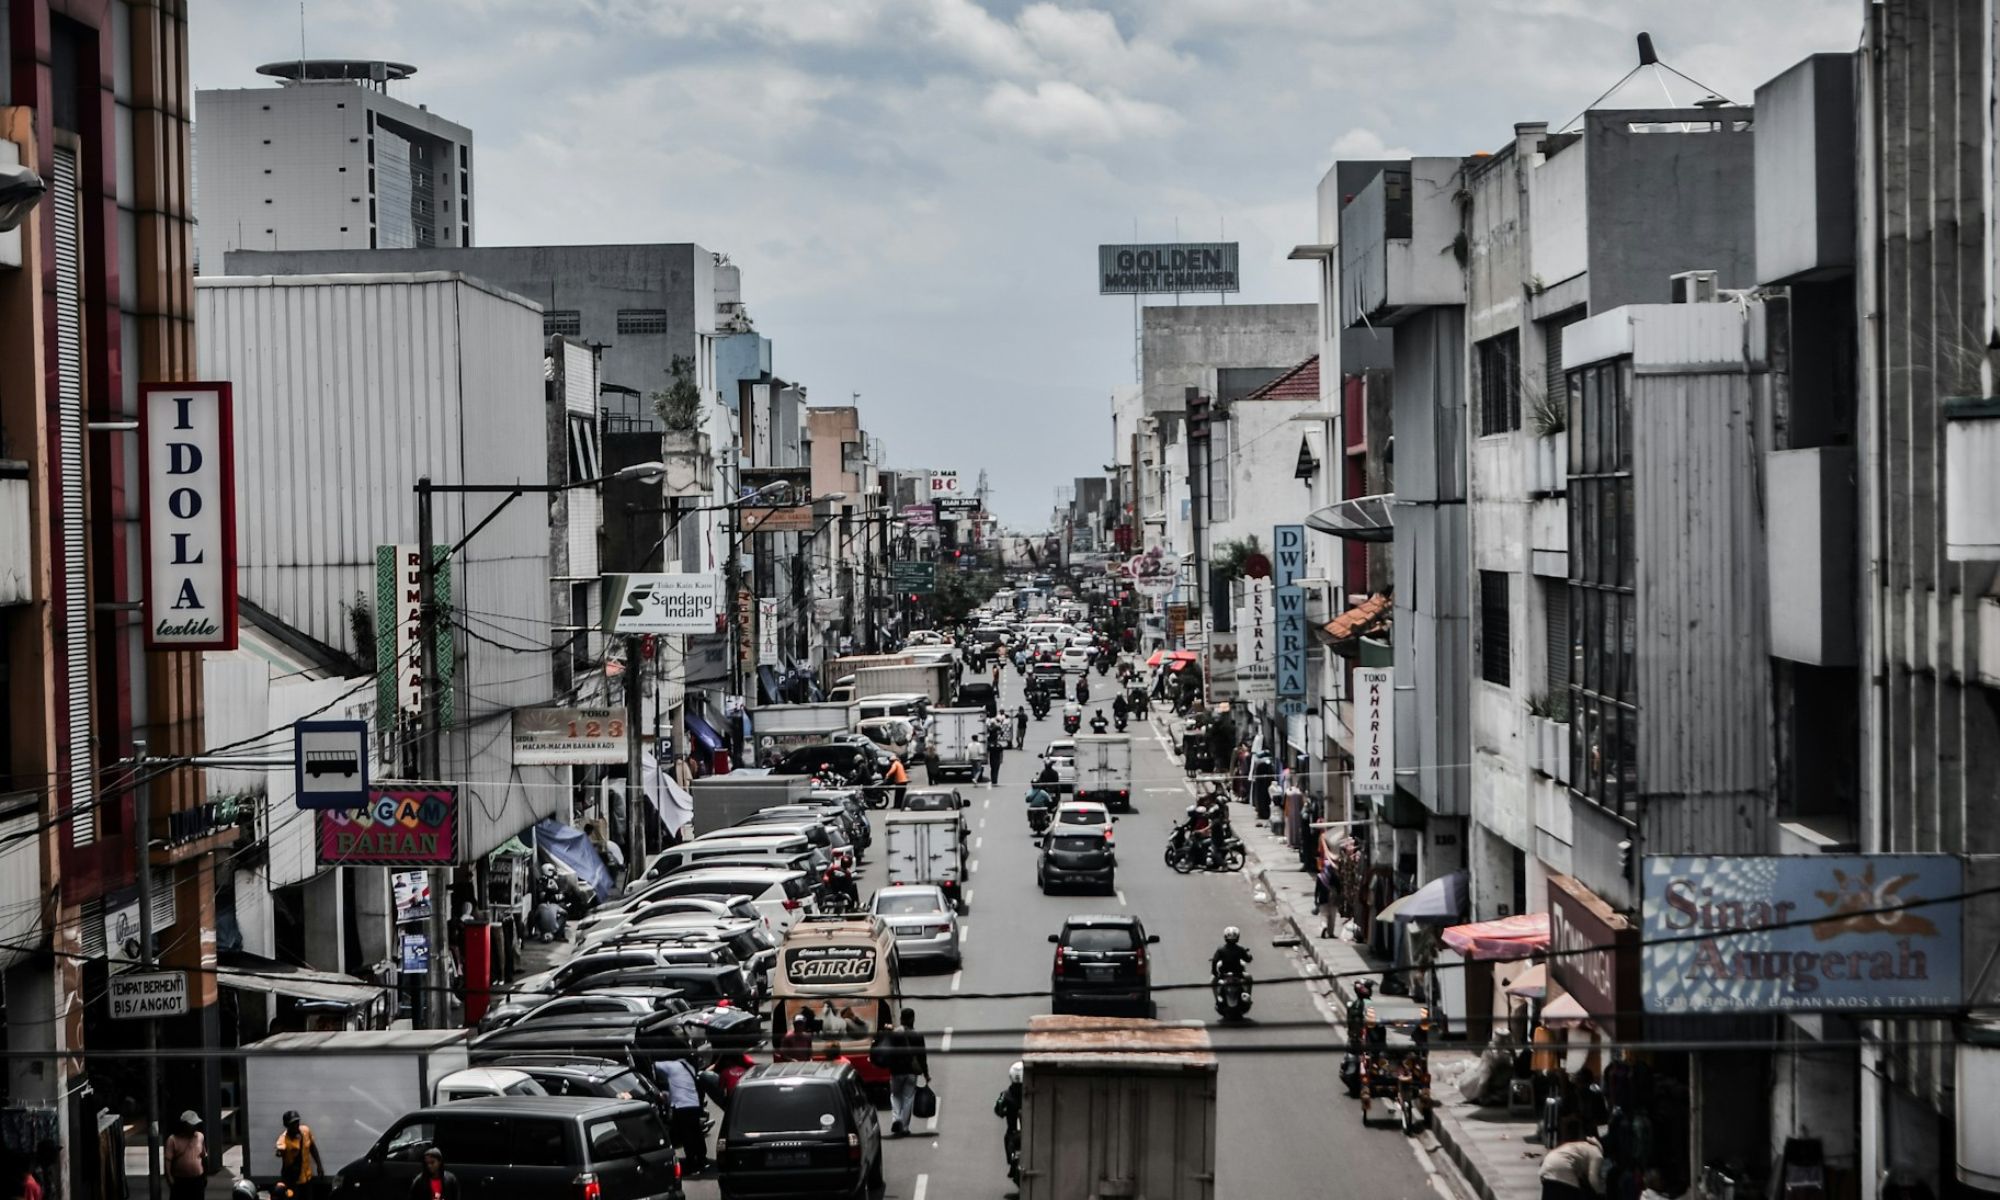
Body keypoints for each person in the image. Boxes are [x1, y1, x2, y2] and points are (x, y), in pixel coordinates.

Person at [654, 1055, 710, 1175]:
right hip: (694, 1104)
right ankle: (702, 1159)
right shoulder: (689, 1067)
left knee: (687, 1136)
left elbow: (653, 1065)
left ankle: (692, 1163)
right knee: (696, 1133)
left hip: (682, 1107)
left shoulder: (672, 1066)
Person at [882, 1007, 931, 1136]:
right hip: (911, 1072)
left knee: (895, 1096)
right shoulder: (918, 1035)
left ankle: (896, 1119)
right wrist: (926, 1074)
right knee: (908, 1097)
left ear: (901, 1019)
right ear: (913, 1019)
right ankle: (904, 1127)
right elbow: (922, 1056)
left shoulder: (894, 1034)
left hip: (896, 1071)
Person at [1539, 1125, 1605, 1200]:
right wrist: (1601, 1192)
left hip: (1547, 1166)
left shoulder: (1582, 1145)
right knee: (1571, 1194)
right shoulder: (1597, 1154)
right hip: (1563, 1168)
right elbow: (1593, 1178)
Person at [274, 1110, 324, 1196]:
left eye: (297, 1122)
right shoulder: (283, 1139)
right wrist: (279, 1152)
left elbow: (312, 1148)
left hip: (307, 1178)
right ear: (286, 1125)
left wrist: (319, 1166)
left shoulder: (305, 1131)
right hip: (292, 1181)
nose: (296, 1125)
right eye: (292, 1124)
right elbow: (279, 1149)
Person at [994, 1061, 1025, 1197]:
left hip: (1014, 1133)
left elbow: (998, 1110)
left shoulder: (1006, 1094)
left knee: (1008, 1142)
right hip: (1026, 1134)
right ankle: (1013, 1167)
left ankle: (1013, 1168)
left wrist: (1004, 1111)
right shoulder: (1030, 1092)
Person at [164, 1111, 206, 1200]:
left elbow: (203, 1156)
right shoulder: (172, 1139)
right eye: (192, 1125)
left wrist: (204, 1177)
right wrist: (170, 1179)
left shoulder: (200, 1137)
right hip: (180, 1181)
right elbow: (167, 1161)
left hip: (197, 1180)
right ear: (184, 1125)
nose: (194, 1127)